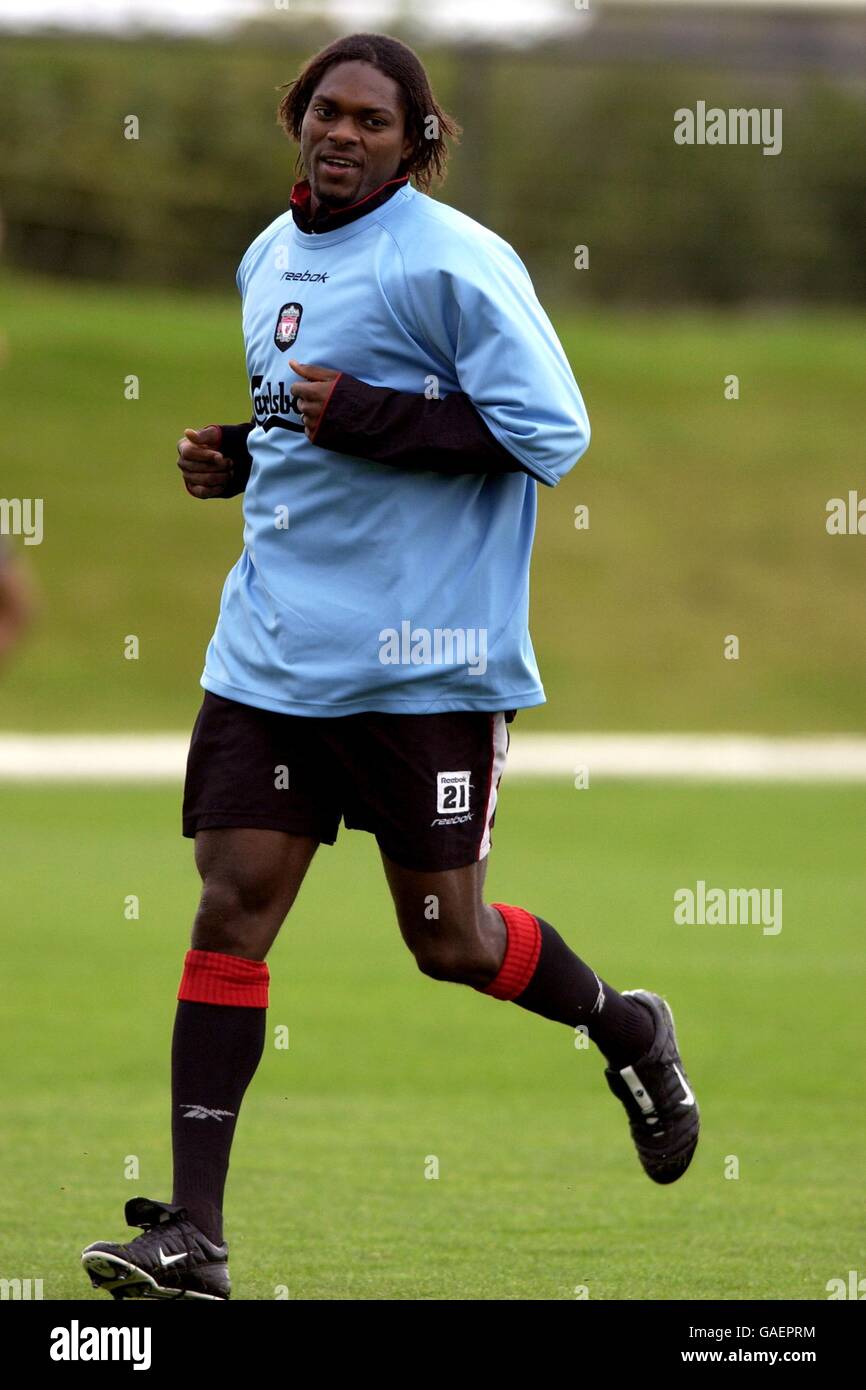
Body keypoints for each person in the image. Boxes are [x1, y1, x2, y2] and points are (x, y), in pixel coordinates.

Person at [81, 31, 698, 1302]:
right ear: (293, 120)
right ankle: (194, 1235)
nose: (342, 133)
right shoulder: (266, 253)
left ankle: (625, 1026)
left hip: (426, 666)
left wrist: (360, 412)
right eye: (324, 111)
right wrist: (246, 457)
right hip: (272, 651)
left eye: (372, 119)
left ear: (416, 142)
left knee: (450, 940)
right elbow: (296, 419)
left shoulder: (456, 262)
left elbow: (550, 432)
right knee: (230, 902)